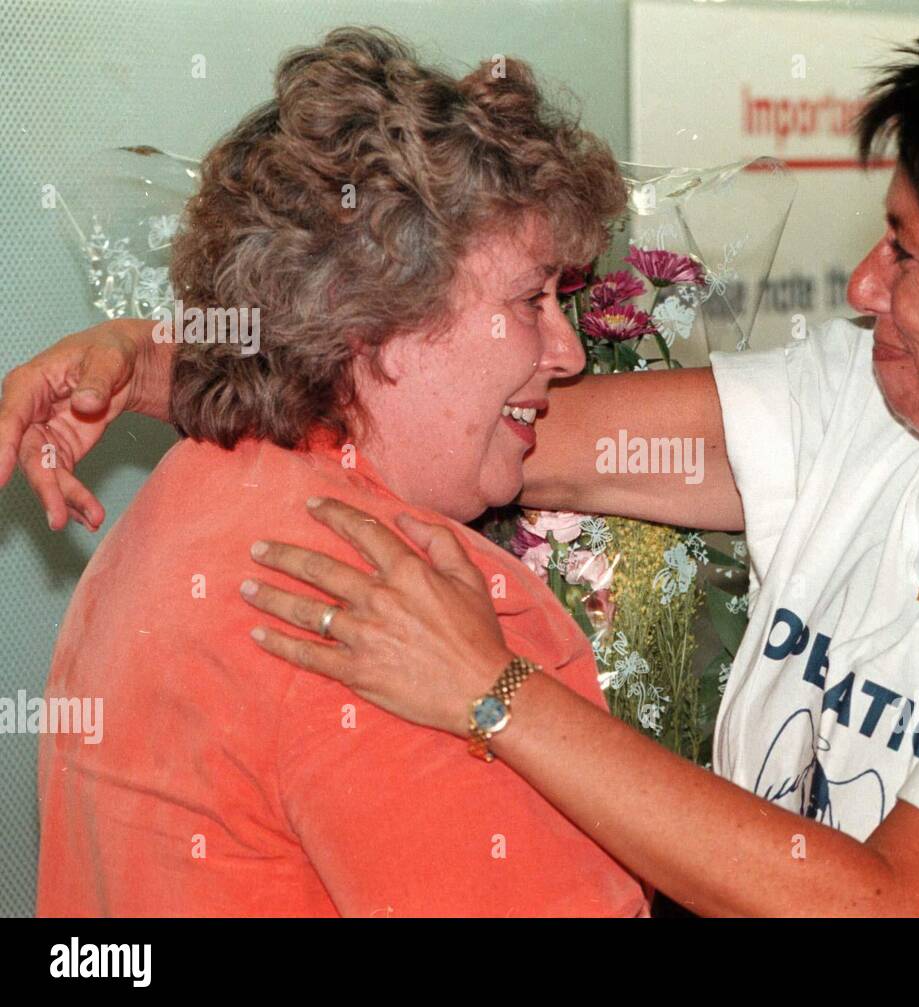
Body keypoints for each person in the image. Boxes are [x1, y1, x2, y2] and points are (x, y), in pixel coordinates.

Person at [2, 0, 919, 916]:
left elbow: (893, 907)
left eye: (909, 254)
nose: (863, 286)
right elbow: (476, 425)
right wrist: (132, 357)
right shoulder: (873, 412)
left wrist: (493, 694)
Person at [29, 27, 648, 917]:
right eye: (529, 301)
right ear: (372, 319)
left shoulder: (185, 493)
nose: (569, 350)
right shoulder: (405, 614)